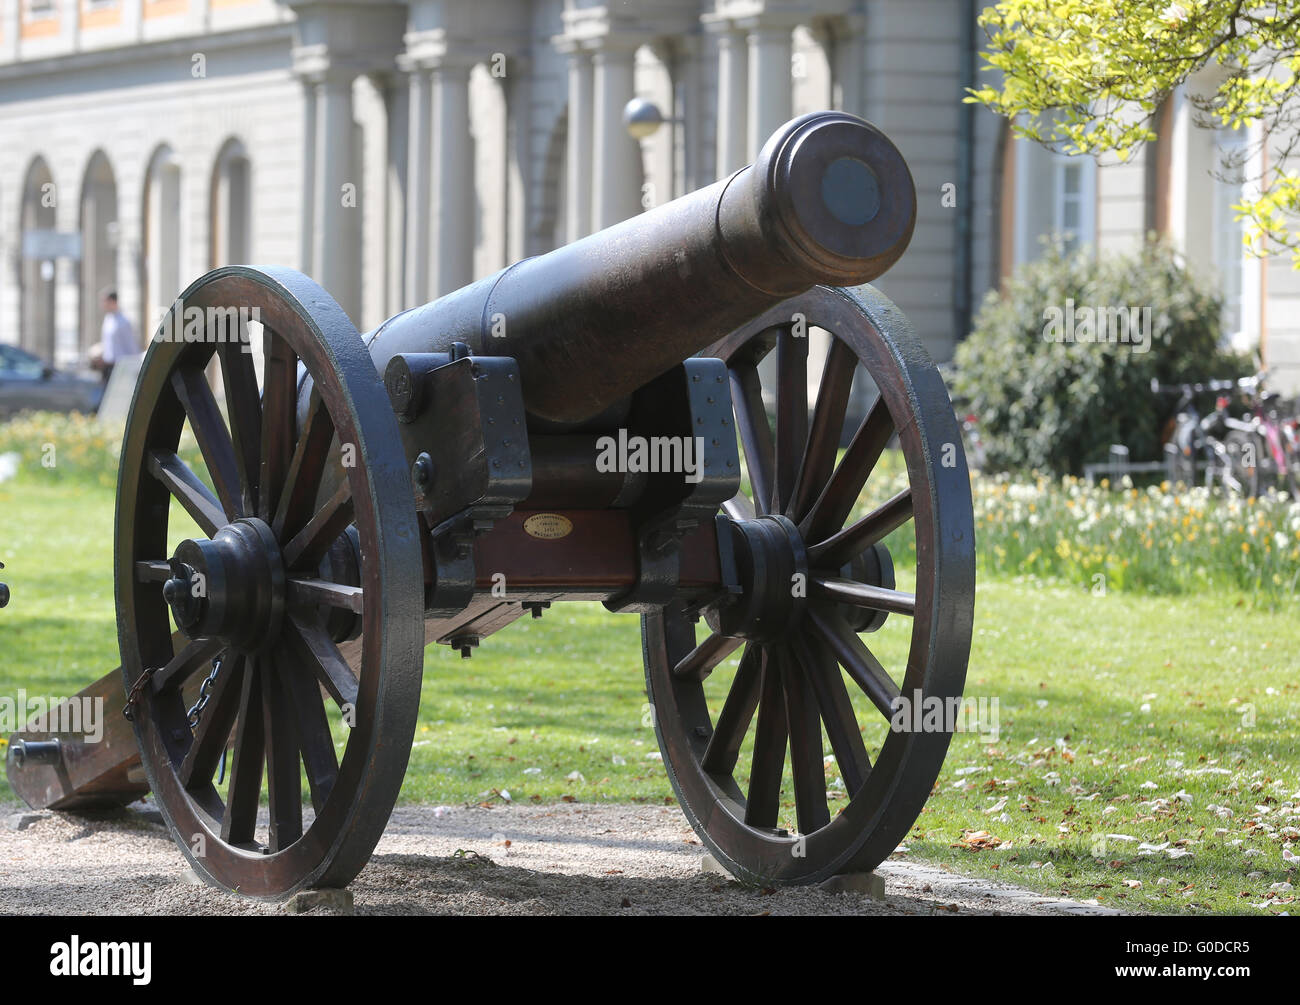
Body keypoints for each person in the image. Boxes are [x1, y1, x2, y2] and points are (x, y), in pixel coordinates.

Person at [97, 289, 138, 385]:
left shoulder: (123, 322)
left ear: (113, 301)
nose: (103, 304)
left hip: (120, 368)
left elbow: (131, 346)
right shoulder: (108, 319)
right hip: (107, 366)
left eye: (105, 301)